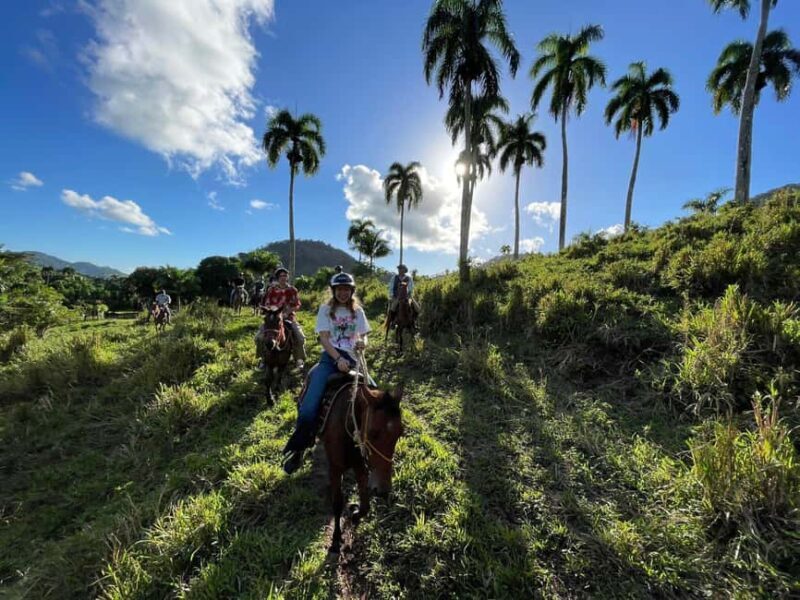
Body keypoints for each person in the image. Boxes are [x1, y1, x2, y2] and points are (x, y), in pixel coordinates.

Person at [281, 271, 372, 474]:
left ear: (351, 291)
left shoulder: (358, 312)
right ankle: (299, 449)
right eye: (339, 289)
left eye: (346, 289)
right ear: (333, 291)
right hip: (330, 359)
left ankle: (374, 450)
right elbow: (323, 338)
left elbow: (364, 337)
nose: (342, 293)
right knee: (308, 407)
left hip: (354, 360)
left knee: (376, 399)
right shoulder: (325, 310)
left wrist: (361, 343)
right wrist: (337, 359)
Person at [255, 267, 307, 369]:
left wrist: (287, 312)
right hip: (273, 319)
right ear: (278, 278)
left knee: (300, 338)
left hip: (288, 317)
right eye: (281, 276)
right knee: (259, 338)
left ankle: (299, 359)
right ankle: (263, 359)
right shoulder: (271, 290)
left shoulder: (292, 290)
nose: (283, 277)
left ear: (287, 277)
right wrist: (271, 310)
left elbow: (297, 305)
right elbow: (266, 303)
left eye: (285, 275)